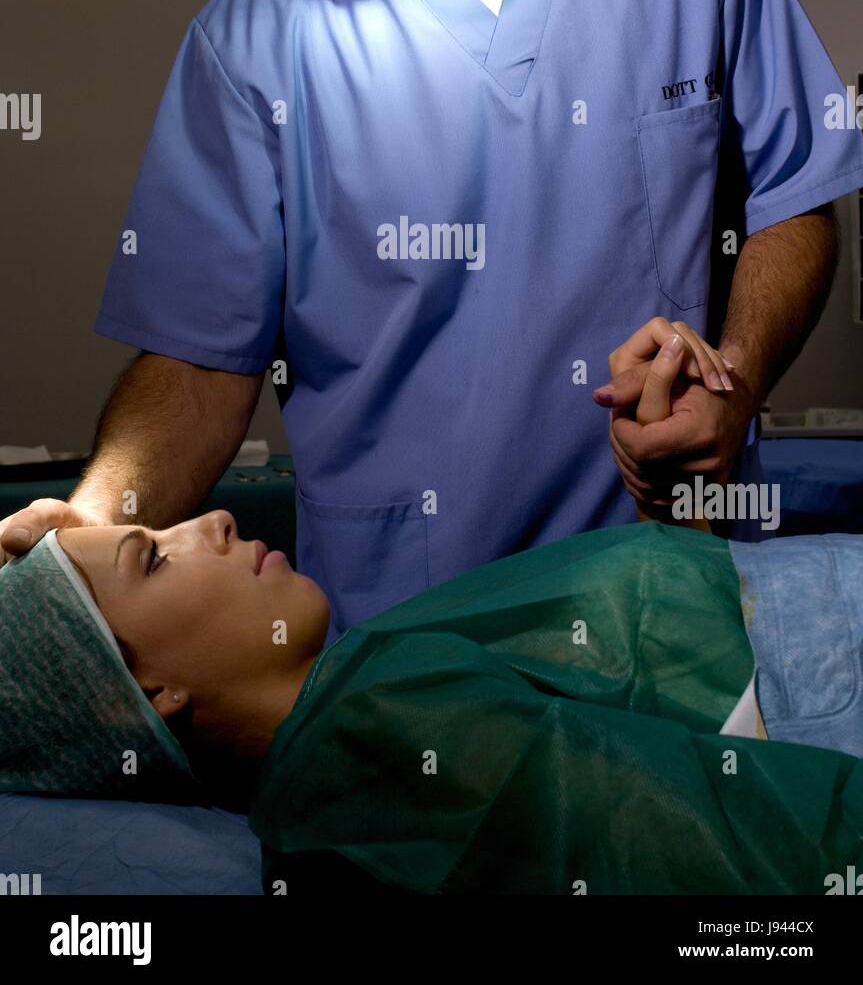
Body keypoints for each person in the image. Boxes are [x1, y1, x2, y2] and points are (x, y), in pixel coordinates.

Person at [3, 0, 862, 642]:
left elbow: (795, 196)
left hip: (667, 594)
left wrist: (733, 374)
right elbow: (196, 364)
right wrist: (98, 524)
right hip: (405, 633)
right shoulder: (250, 43)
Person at [2, 344, 862, 895]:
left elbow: (653, 712)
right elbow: (732, 847)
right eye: (151, 557)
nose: (214, 521)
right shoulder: (368, 735)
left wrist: (672, 519)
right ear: (145, 698)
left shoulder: (372, 686)